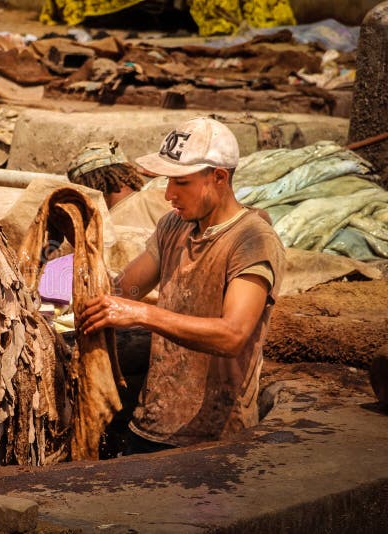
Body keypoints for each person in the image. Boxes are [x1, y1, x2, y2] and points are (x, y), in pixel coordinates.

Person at [78, 117, 286, 455]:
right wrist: (80, 269)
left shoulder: (251, 240)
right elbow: (126, 289)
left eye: (182, 183)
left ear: (219, 177)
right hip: (150, 423)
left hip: (212, 439)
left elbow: (232, 335)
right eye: (167, 181)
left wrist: (143, 313)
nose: (169, 194)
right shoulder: (174, 225)